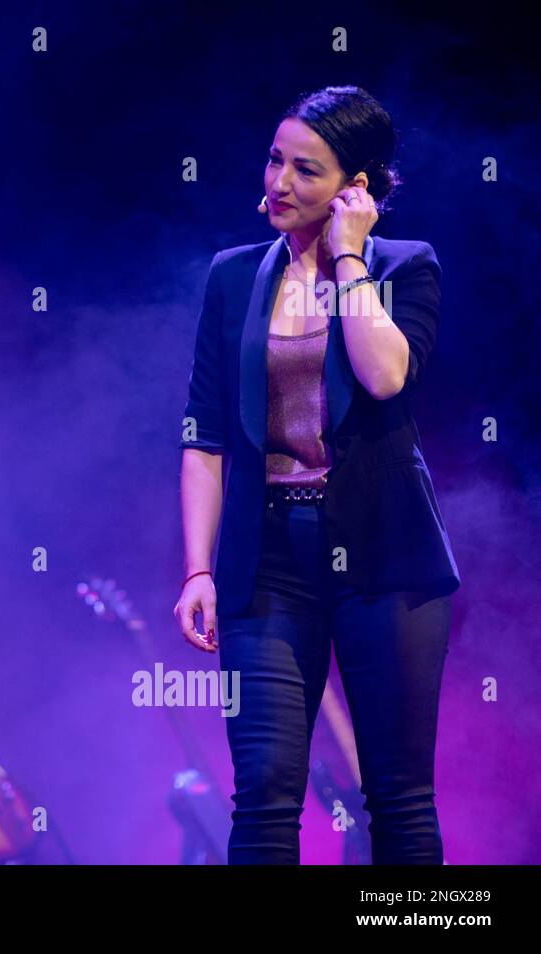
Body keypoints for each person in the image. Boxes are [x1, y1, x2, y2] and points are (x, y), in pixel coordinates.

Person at [173, 86, 460, 864]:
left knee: (397, 794)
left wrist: (349, 256)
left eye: (307, 169)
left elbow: (386, 376)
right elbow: (203, 435)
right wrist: (199, 567)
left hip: (383, 554)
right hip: (266, 561)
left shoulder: (406, 266)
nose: (279, 182)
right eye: (275, 160)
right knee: (263, 790)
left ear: (355, 187)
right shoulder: (232, 277)